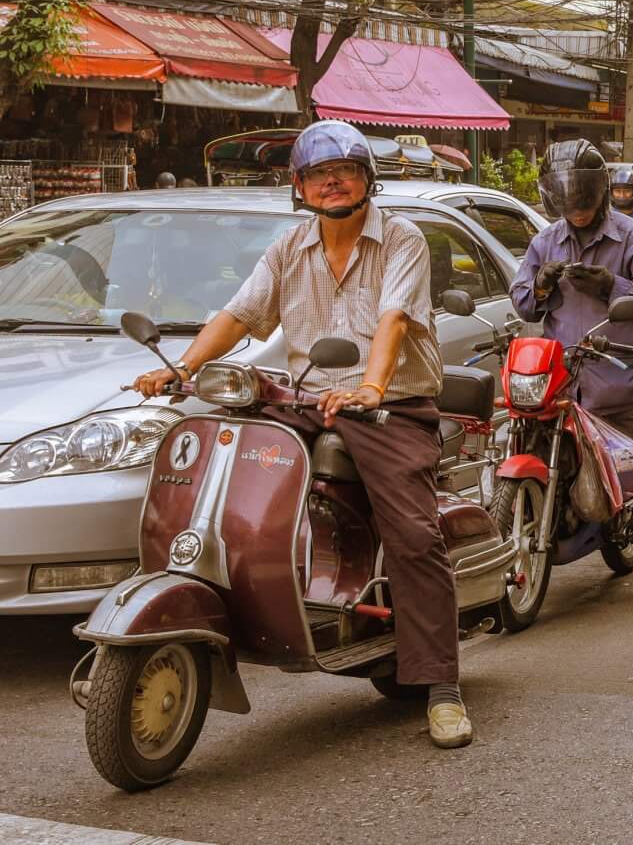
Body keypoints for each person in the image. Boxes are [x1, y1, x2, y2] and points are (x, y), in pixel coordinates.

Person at [128, 122, 474, 749]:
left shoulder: (402, 238)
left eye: (344, 170)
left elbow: (394, 319)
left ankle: (441, 684)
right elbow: (240, 313)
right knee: (235, 470)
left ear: (369, 179)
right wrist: (183, 368)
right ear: (300, 186)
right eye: (318, 174)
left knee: (415, 535)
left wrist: (370, 389)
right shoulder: (290, 247)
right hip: (310, 399)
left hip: (389, 406)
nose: (332, 182)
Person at [513, 142, 633, 600]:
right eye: (566, 203)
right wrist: (540, 285)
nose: (575, 212)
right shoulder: (545, 241)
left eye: (582, 201)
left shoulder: (631, 234)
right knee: (520, 436)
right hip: (558, 373)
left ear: (597, 192)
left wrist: (611, 284)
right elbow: (522, 303)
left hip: (613, 368)